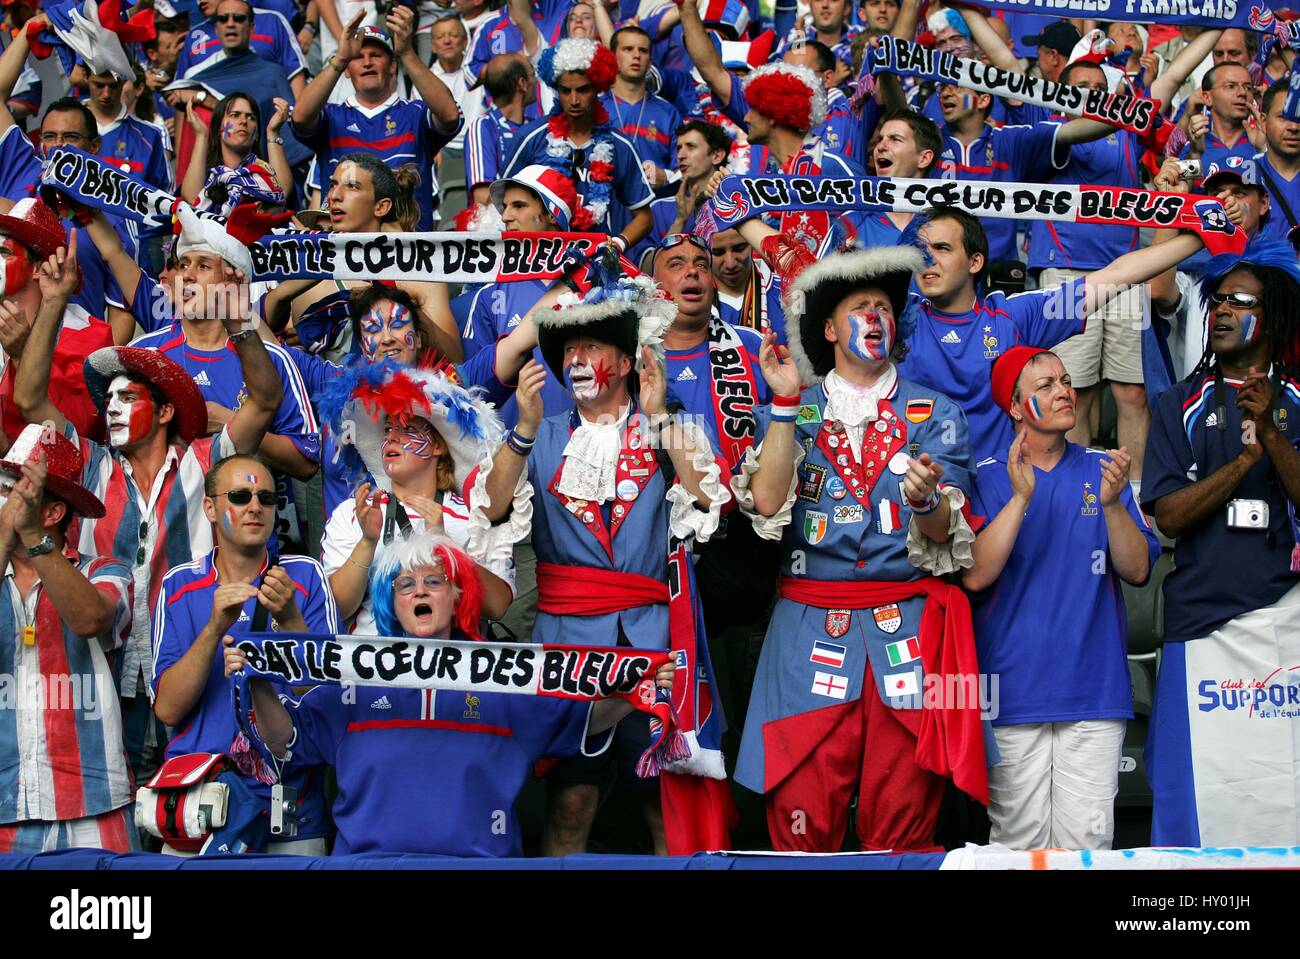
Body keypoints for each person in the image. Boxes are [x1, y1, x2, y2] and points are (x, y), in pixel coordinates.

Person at [731, 245, 985, 853]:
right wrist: (786, 405)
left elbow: (946, 535)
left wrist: (927, 505)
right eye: (859, 307)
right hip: (807, 627)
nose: (875, 316)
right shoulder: (795, 407)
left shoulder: (936, 411)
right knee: (799, 809)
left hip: (907, 632)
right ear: (827, 328)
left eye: (883, 307)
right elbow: (767, 505)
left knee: (903, 817)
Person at [13, 223, 284, 785]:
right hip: (102, 674)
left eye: (128, 397)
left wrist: (242, 327)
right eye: (108, 399)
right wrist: (56, 302)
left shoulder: (207, 460)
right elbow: (29, 397)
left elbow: (264, 398)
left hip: (189, 669)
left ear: (164, 413)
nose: (110, 409)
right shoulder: (87, 465)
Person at [478, 262, 729, 856]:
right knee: (571, 801)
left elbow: (706, 497)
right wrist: (523, 429)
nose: (578, 359)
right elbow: (489, 509)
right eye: (570, 348)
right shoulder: (538, 432)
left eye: (592, 345)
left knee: (662, 802)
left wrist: (660, 411)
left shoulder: (668, 425)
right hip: (567, 645)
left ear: (624, 359)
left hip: (654, 643)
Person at [224, 532, 674, 856]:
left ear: (457, 597)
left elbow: (584, 721)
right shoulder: (353, 682)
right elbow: (286, 742)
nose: (419, 590)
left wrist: (638, 686)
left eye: (434, 581)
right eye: (405, 584)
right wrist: (257, 680)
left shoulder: (506, 679)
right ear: (391, 603)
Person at [965, 346, 1159, 850]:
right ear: (1014, 405)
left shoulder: (1103, 468)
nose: (1064, 391)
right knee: (1017, 844)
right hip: (1010, 692)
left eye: (1067, 380)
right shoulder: (985, 474)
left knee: (1087, 847)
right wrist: (1021, 498)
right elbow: (976, 576)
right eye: (1045, 385)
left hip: (1093, 691)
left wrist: (1115, 507)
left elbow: (1138, 569)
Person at [1142, 247, 1300, 847]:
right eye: (1218, 301)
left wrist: (1273, 436)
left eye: (1241, 301)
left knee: (1283, 789)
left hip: (1288, 619)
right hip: (1203, 626)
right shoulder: (1177, 403)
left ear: (1274, 319)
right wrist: (1244, 461)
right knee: (1195, 793)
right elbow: (1171, 517)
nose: (1223, 312)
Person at [151, 454, 338, 854]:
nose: (255, 507)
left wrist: (289, 618)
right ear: (210, 508)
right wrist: (214, 628)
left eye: (267, 498)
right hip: (203, 807)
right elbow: (167, 709)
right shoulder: (179, 584)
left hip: (292, 808)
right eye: (239, 495)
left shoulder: (304, 576)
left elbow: (326, 698)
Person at [129, 208, 321, 551]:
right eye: (182, 265)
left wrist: (231, 425)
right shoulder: (144, 356)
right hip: (164, 547)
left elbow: (305, 462)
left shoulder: (271, 360)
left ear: (233, 281)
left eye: (203, 266)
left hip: (249, 548)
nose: (187, 276)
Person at [0, 425, 136, 853]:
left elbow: (90, 618)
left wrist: (33, 540)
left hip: (96, 804)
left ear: (54, 513)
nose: (3, 499)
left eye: (13, 488)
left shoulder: (106, 570)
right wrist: (9, 533)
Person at [319, 362, 525, 634]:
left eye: (404, 428)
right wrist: (368, 542)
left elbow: (498, 606)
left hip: (454, 669)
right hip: (373, 669)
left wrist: (444, 543)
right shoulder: (353, 513)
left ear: (438, 445)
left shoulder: (475, 515)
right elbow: (338, 608)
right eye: (386, 430)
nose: (390, 438)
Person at [291, 11, 462, 231]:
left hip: (410, 255)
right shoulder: (331, 117)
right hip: (343, 253)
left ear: (392, 66)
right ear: (347, 70)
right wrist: (340, 58)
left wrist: (406, 52)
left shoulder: (416, 114)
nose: (367, 62)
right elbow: (300, 117)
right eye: (358, 57)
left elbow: (449, 116)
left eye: (376, 55)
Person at [502, 37, 655, 251]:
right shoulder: (531, 137)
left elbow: (645, 217)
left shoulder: (620, 145)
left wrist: (615, 246)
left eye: (583, 90)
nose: (574, 100)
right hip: (538, 258)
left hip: (596, 263)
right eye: (565, 91)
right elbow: (502, 202)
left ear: (598, 87)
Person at [181, 93, 292, 215]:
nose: (244, 121)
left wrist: (273, 132)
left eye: (251, 117)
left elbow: (282, 192)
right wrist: (202, 135)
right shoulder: (208, 175)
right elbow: (192, 199)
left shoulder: (264, 175)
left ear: (256, 135)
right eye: (235, 115)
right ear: (218, 128)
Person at [601, 25, 681, 190]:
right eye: (628, 49)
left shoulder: (668, 113)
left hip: (656, 207)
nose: (636, 56)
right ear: (612, 56)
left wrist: (666, 176)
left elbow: (685, 169)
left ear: (650, 61)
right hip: (604, 206)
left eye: (643, 51)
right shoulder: (594, 108)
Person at [465, 52, 538, 208]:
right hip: (496, 228)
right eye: (533, 74)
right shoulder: (483, 127)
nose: (536, 81)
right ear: (522, 83)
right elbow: (483, 198)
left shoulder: (536, 128)